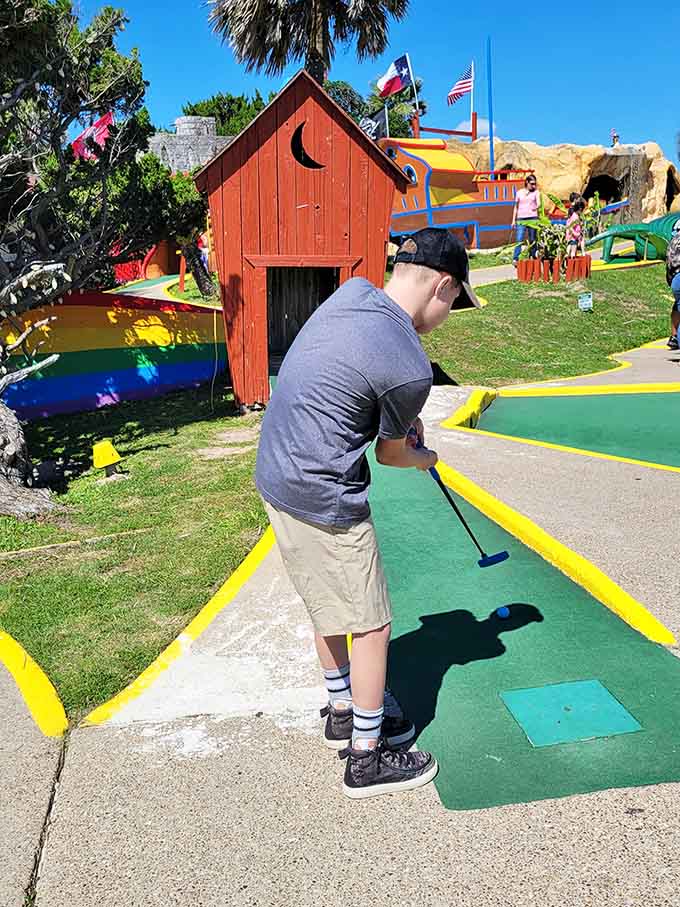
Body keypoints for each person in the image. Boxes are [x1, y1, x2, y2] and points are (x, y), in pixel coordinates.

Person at [255, 228, 481, 799]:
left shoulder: (352, 293)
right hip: (323, 490)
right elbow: (390, 452)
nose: (450, 313)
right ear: (444, 285)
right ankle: (367, 755)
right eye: (454, 301)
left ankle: (341, 708)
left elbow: (353, 377)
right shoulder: (411, 364)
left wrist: (398, 420)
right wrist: (422, 451)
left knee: (325, 599)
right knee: (372, 621)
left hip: (275, 473)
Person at [512, 174, 541, 265]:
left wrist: (535, 207)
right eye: (532, 184)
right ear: (527, 183)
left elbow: (539, 203)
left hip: (533, 218)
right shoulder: (519, 192)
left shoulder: (536, 192)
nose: (534, 186)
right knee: (519, 239)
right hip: (521, 219)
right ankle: (516, 258)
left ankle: (533, 256)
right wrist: (513, 220)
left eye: (535, 184)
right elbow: (516, 207)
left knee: (533, 239)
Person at [665, 221, 680, 350]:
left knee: (677, 306)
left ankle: (674, 337)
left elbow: (668, 266)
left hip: (675, 279)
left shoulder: (672, 242)